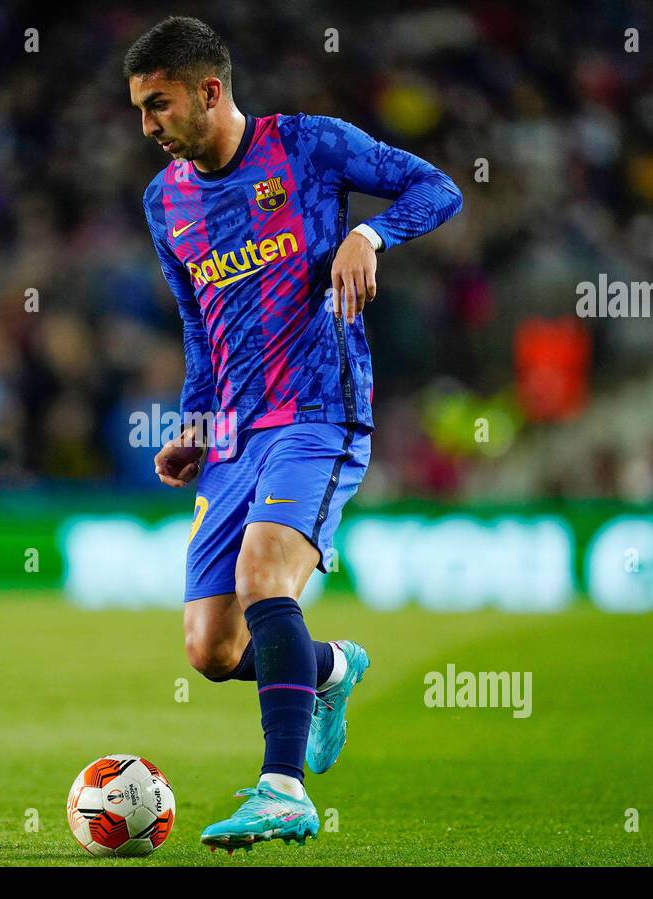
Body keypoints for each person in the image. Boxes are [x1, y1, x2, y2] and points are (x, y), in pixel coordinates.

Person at [126, 17, 463, 850]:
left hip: (318, 413)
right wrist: (194, 424)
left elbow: (439, 188)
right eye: (138, 110)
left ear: (210, 91)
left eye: (158, 105)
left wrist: (367, 231)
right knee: (210, 648)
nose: (147, 127)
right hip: (233, 437)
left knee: (263, 572)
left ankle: (283, 790)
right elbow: (202, 327)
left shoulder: (309, 147)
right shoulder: (163, 202)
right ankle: (333, 668)